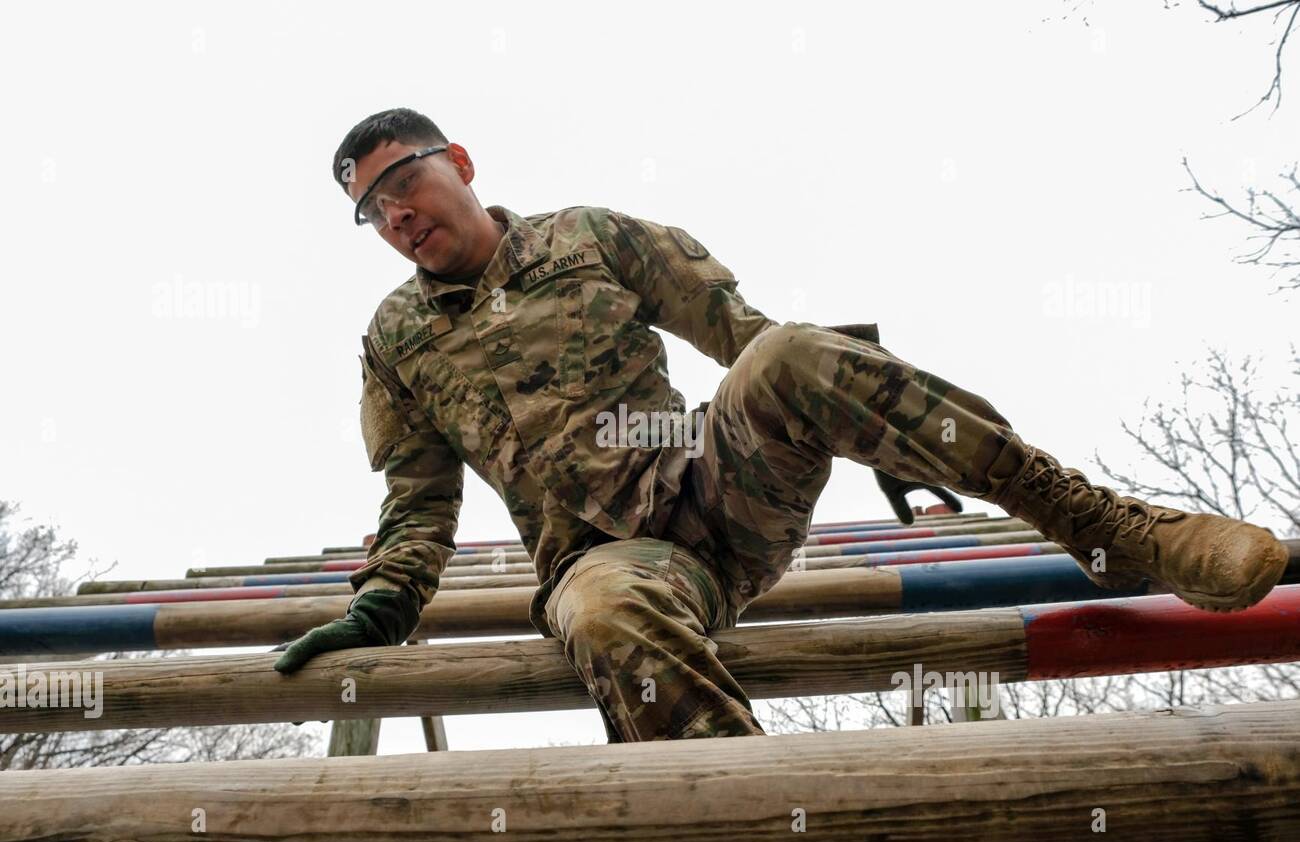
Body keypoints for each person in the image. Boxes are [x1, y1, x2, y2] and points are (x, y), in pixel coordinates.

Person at [272, 107, 1289, 744]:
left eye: (402, 181)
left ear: (458, 159)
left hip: (711, 490)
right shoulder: (395, 337)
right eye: (372, 211)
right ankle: (746, 823)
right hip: (607, 560)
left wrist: (876, 426)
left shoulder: (591, 238)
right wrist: (385, 606)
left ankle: (1114, 528)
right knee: (603, 614)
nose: (395, 215)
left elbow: (749, 340)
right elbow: (416, 497)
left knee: (792, 351)